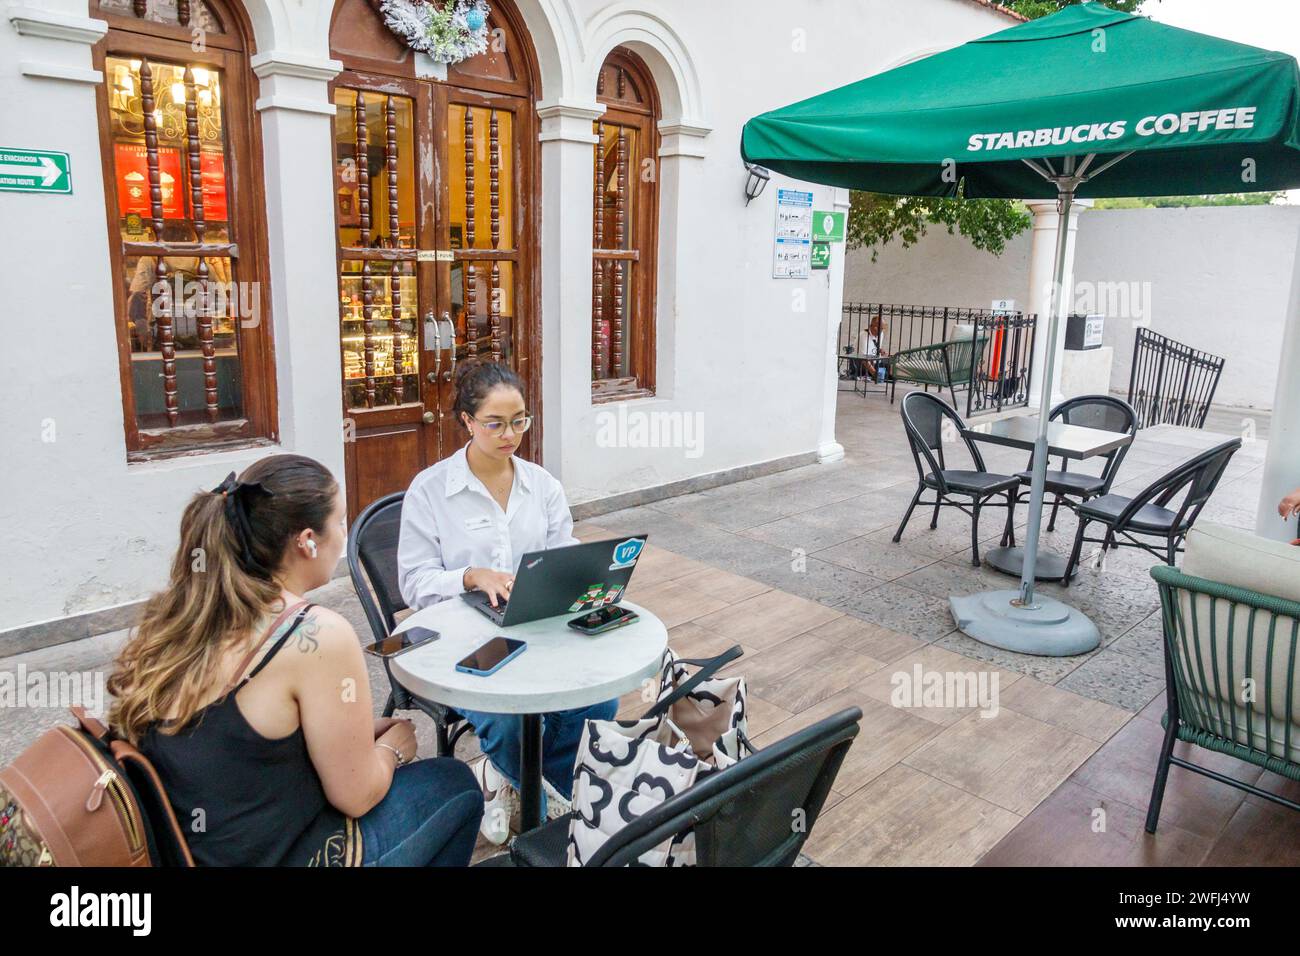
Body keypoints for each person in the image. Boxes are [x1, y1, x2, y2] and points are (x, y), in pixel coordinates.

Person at [107, 454, 483, 866]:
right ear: (307, 540)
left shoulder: (182, 616)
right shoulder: (315, 632)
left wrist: (348, 737)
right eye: (340, 521)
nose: (343, 534)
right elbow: (357, 796)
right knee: (454, 784)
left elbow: (230, 742)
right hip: (281, 854)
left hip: (196, 848)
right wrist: (392, 748)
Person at [397, 358, 618, 845]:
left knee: (600, 696)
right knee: (505, 719)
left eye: (520, 420)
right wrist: (470, 576)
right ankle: (551, 820)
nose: (510, 433)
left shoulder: (541, 484)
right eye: (495, 423)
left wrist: (587, 571)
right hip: (460, 636)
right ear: (467, 422)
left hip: (535, 624)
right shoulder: (432, 490)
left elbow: (562, 550)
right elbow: (413, 583)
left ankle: (514, 783)